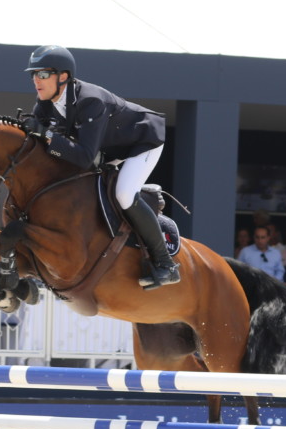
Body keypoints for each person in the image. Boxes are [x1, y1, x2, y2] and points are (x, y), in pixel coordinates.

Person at [21, 44, 178, 288]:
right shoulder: (43, 105)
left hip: (142, 141)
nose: (36, 80)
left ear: (63, 76)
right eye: (33, 74)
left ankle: (165, 264)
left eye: (42, 74)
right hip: (109, 150)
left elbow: (84, 157)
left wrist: (48, 136)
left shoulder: (90, 100)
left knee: (124, 194)